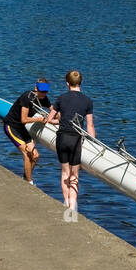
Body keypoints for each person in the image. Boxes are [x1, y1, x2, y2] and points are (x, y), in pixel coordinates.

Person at [45, 70, 93, 210]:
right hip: (76, 140)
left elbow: (49, 119)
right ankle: (73, 205)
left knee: (65, 172)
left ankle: (66, 202)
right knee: (75, 174)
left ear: (67, 83)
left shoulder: (61, 98)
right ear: (80, 83)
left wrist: (59, 119)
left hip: (62, 138)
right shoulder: (87, 101)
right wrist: (92, 141)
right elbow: (90, 125)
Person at [4, 79, 52, 183]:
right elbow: (24, 119)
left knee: (35, 155)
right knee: (27, 152)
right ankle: (29, 183)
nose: (43, 94)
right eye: (41, 91)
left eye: (46, 91)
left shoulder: (44, 98)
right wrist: (39, 119)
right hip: (11, 126)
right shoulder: (27, 97)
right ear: (36, 88)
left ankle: (25, 178)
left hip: (21, 128)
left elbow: (53, 110)